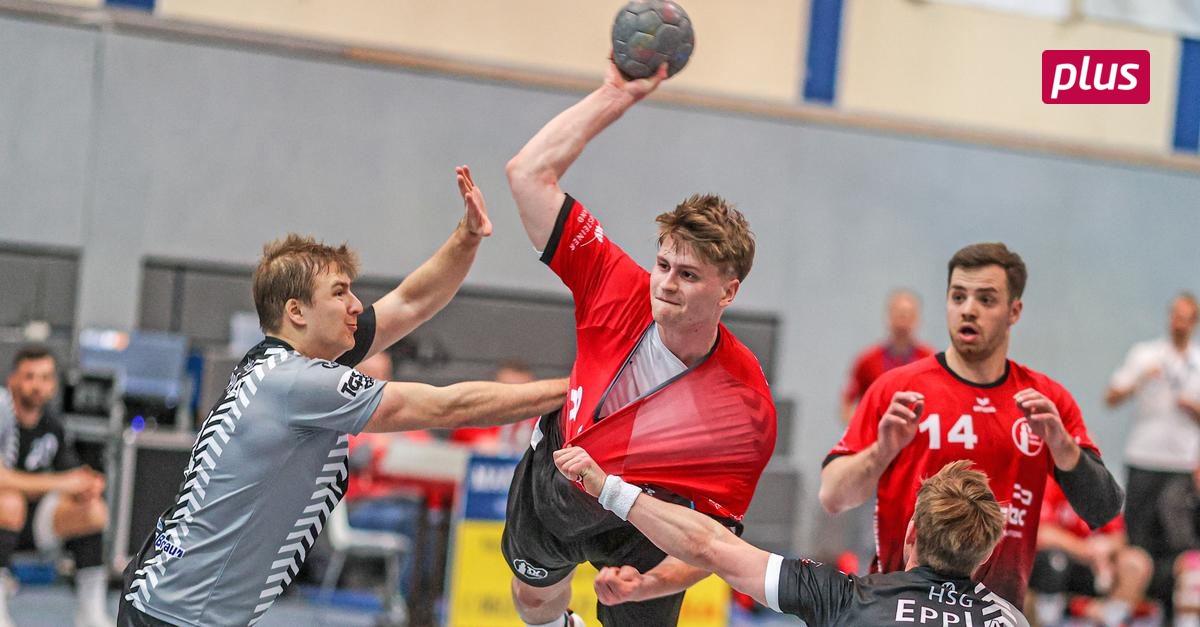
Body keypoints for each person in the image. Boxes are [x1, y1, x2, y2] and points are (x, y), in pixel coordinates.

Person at [117, 166, 569, 627]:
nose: (356, 305)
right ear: (296, 311)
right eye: (339, 293)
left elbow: (410, 302)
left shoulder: (284, 365)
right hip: (174, 615)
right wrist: (572, 390)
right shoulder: (297, 382)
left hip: (178, 607)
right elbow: (446, 406)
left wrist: (466, 237)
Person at [502, 60, 777, 627]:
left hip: (649, 513)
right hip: (562, 469)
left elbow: (717, 541)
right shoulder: (615, 283)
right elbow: (527, 174)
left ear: (729, 291)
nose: (666, 284)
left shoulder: (744, 405)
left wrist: (649, 583)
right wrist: (615, 94)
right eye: (663, 264)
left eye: (689, 275)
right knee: (532, 602)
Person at [819, 242, 1123, 608]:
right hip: (900, 608)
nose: (968, 310)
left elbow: (1103, 508)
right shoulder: (897, 388)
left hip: (995, 612)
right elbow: (832, 497)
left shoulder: (1045, 400)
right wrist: (881, 451)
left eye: (986, 299)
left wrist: (1063, 447)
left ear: (1014, 311)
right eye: (958, 297)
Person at [555, 447, 1029, 626]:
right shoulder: (1007, 620)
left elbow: (710, 546)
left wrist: (608, 489)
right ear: (984, 555)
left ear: (911, 535)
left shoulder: (847, 599)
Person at [0, 347, 111, 627]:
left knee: (93, 510)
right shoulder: (3, 417)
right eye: (29, 376)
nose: (37, 385)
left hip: (36, 523)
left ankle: (91, 613)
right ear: (12, 380)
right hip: (5, 516)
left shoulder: (52, 425)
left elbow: (72, 472)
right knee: (9, 502)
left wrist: (88, 484)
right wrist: (61, 482)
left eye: (45, 377)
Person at [1105, 293, 1200, 561]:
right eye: (1176, 316)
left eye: (1185, 318)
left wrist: (1194, 408)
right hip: (1143, 457)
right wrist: (1140, 380)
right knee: (1138, 537)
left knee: (1178, 537)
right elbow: (1111, 397)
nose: (1179, 323)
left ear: (1194, 323)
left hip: (1181, 462)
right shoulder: (1145, 355)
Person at [1028, 479, 1151, 627]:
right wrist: (1084, 549)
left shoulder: (1099, 486)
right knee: (1055, 560)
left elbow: (1118, 537)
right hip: (1057, 564)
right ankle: (1050, 618)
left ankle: (1114, 616)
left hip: (1095, 565)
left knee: (1134, 562)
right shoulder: (1050, 483)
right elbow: (1041, 532)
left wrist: (1104, 547)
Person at [840, 289, 934, 425]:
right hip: (876, 434)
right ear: (888, 317)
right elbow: (847, 405)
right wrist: (864, 430)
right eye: (899, 314)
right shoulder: (867, 360)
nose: (903, 321)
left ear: (918, 319)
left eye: (909, 315)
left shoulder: (930, 360)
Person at [450, 359, 536, 454]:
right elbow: (453, 454)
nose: (513, 398)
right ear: (493, 388)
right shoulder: (472, 421)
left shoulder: (541, 423)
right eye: (507, 389)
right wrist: (475, 447)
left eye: (521, 391)